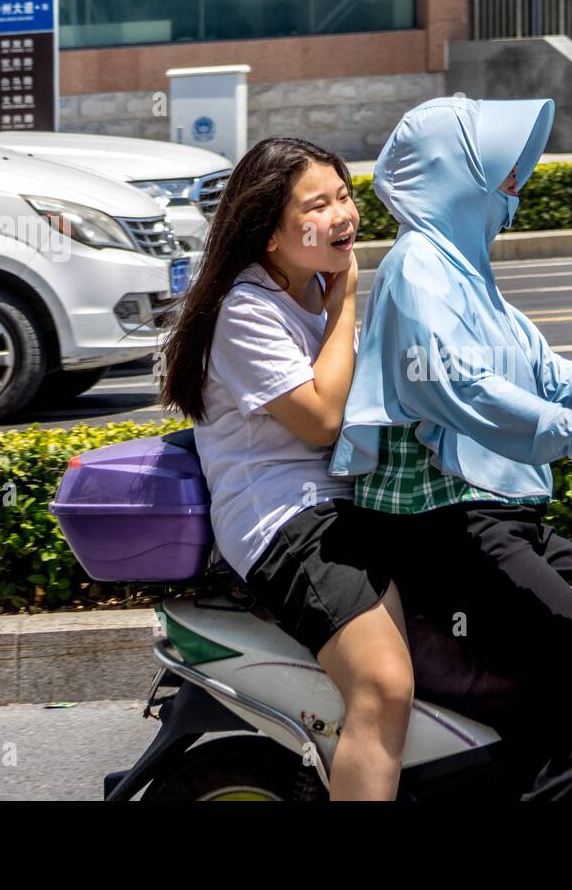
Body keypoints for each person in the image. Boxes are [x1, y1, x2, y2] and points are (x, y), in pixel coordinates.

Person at [331, 96, 572, 800]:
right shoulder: (417, 271)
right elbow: (472, 394)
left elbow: (544, 373)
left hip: (494, 517)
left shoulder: (467, 272)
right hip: (436, 532)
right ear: (451, 171)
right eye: (502, 172)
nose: (515, 186)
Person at [160, 136, 414, 801]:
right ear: (269, 232)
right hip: (286, 521)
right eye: (318, 204)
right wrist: (348, 305)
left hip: (345, 504)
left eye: (345, 195)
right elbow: (324, 419)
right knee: (383, 685)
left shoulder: (309, 293)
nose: (343, 215)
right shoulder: (247, 311)